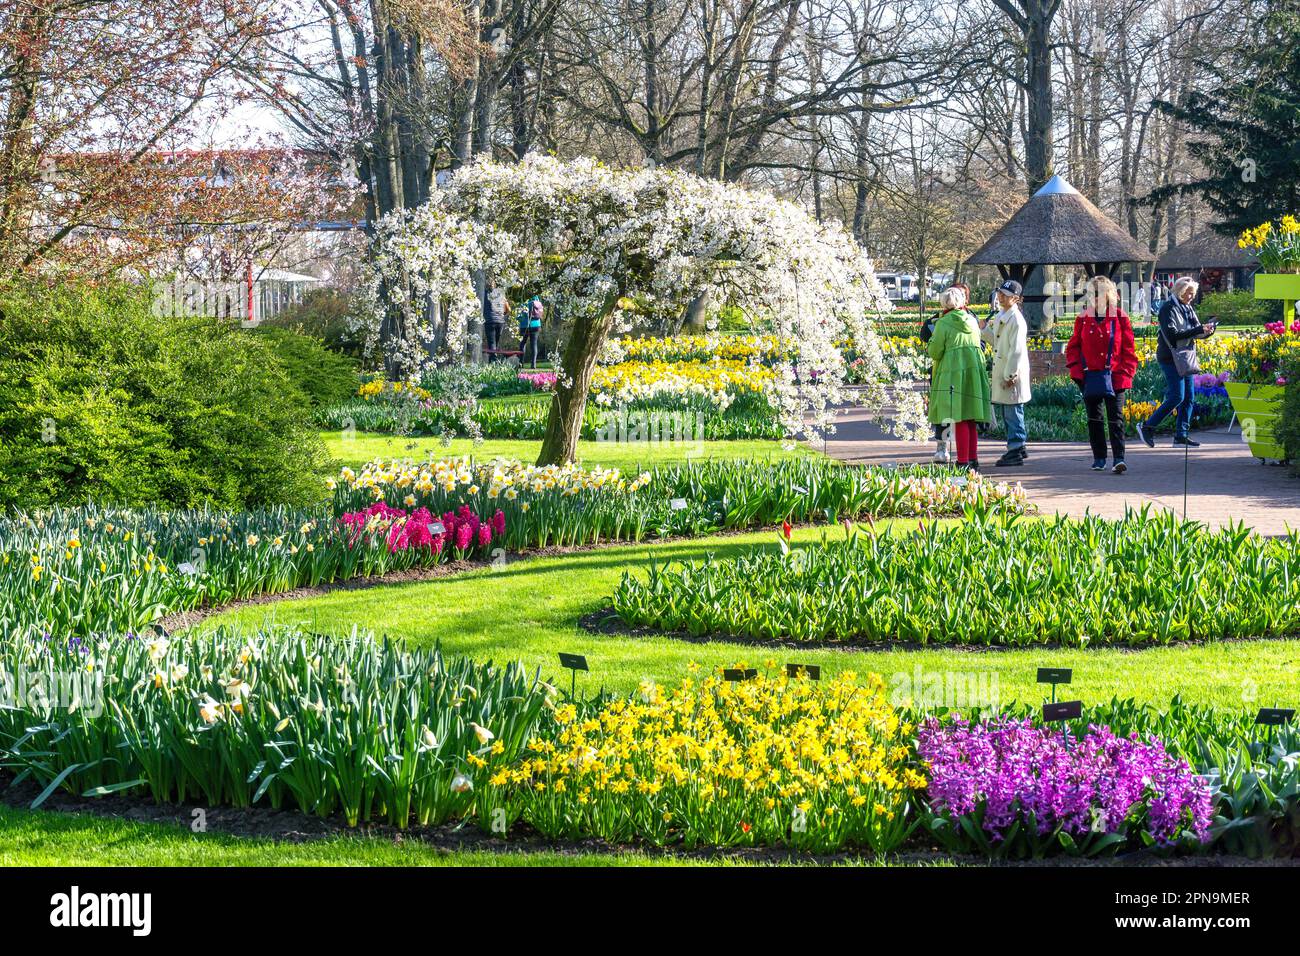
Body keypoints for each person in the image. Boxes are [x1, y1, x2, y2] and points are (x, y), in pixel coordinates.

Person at [1065, 275, 1139, 474]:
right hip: (1090, 376)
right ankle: (1099, 457)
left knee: (1116, 418)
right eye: (1091, 293)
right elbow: (1073, 348)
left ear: (1109, 295)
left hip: (1115, 375)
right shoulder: (1083, 318)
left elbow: (1128, 349)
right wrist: (1077, 374)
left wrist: (1125, 373)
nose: (1094, 297)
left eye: (1098, 293)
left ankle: (1119, 458)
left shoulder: (1120, 317)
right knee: (1094, 418)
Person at [1136, 276, 1216, 449]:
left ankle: (1181, 436)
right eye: (1189, 293)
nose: (1191, 297)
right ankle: (1147, 426)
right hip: (1170, 357)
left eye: (1193, 294)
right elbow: (1172, 335)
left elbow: (1195, 331)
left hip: (1185, 356)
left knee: (1189, 398)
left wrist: (1208, 330)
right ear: (1180, 291)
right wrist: (1197, 329)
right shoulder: (1168, 308)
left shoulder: (1187, 308)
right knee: (1177, 396)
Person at [927, 285, 991, 471]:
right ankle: (973, 460)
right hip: (973, 372)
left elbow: (935, 351)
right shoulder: (971, 320)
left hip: (952, 372)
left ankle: (962, 462)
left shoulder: (943, 323)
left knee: (959, 416)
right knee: (971, 417)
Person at [981, 279, 1031, 466]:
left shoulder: (1016, 320)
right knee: (1010, 410)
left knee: (1013, 411)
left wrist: (1010, 376)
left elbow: (1016, 351)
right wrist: (984, 330)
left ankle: (1016, 449)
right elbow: (998, 343)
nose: (1000, 297)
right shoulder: (1004, 314)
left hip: (1011, 373)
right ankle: (1019, 446)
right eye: (1000, 293)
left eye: (1005, 295)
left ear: (1015, 298)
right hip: (1005, 370)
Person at [483, 283, 509, 358]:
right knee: (495, 343)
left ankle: (493, 362)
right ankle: (493, 360)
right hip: (500, 321)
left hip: (490, 321)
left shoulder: (484, 294)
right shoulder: (501, 294)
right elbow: (508, 309)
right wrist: (502, 314)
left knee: (492, 343)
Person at [521, 294, 544, 368]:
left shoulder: (524, 297)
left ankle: (521, 363)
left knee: (522, 343)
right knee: (534, 344)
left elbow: (521, 313)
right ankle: (533, 364)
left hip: (524, 325)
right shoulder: (537, 298)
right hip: (536, 324)